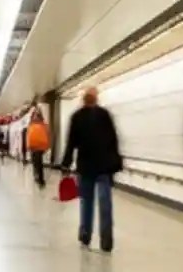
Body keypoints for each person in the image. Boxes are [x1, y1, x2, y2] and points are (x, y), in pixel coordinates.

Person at [61, 87, 122, 253]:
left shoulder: (77, 117)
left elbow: (71, 143)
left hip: (87, 168)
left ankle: (86, 234)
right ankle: (106, 240)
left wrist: (65, 164)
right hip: (102, 167)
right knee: (105, 204)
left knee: (86, 202)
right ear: (95, 98)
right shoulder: (104, 115)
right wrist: (116, 163)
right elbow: (113, 141)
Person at [26, 107, 51, 189]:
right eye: (35, 114)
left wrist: (47, 146)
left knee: (38, 162)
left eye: (38, 114)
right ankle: (37, 176)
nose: (36, 115)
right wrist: (28, 145)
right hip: (33, 146)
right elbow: (28, 136)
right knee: (35, 162)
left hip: (39, 147)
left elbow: (47, 135)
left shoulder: (42, 124)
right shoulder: (31, 124)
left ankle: (41, 180)